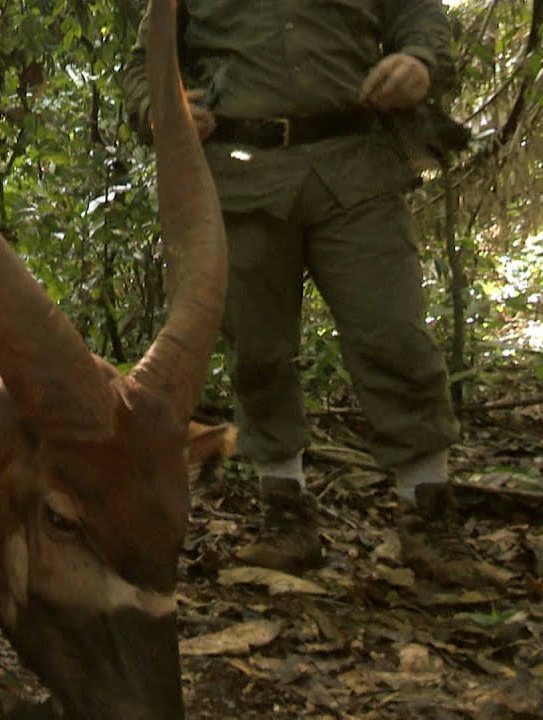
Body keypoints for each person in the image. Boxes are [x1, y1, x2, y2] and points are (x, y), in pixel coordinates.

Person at [123, 0, 489, 586]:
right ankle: (284, 513)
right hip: (242, 178)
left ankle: (428, 513)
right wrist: (162, 110)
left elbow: (418, 14)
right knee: (258, 351)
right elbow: (147, 64)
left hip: (357, 168)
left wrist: (419, 62)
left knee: (393, 335)